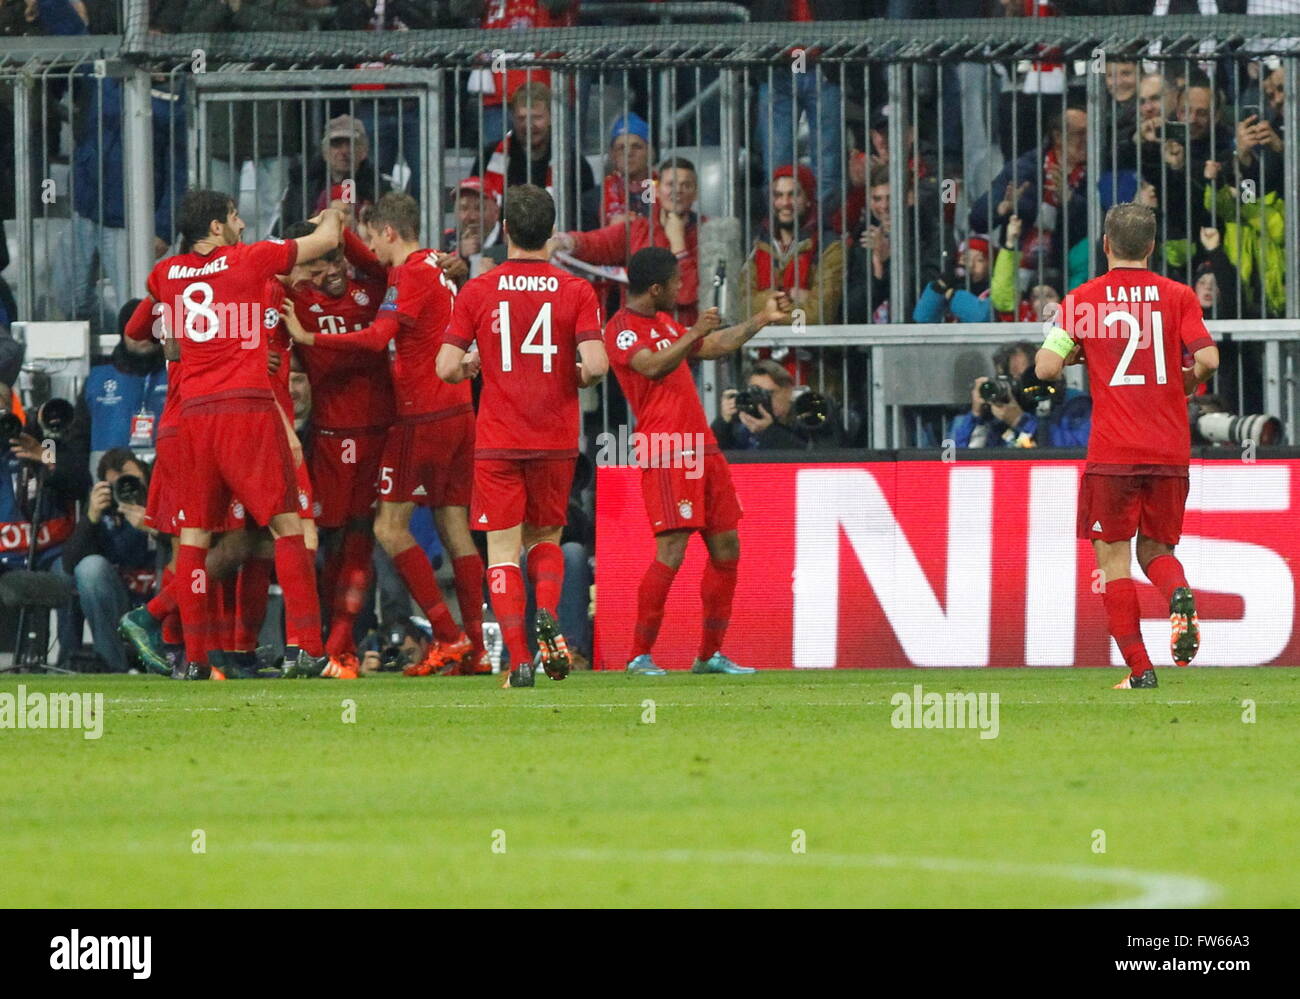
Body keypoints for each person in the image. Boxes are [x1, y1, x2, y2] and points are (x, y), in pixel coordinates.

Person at [283, 193, 484, 677]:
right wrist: (335, 225)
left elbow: (376, 337)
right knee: (454, 531)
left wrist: (309, 339)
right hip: (456, 410)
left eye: (371, 238)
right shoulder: (428, 264)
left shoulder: (405, 275)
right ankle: (474, 649)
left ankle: (449, 635)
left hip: (419, 416)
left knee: (384, 529)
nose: (365, 250)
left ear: (388, 233)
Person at [146, 190, 341, 680]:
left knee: (194, 538)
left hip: (192, 415)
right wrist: (333, 213)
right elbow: (327, 239)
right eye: (233, 216)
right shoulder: (249, 259)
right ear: (216, 227)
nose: (240, 223)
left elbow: (161, 339)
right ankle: (307, 649)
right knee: (287, 525)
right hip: (244, 411)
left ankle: (193, 660)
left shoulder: (164, 274)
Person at [1035, 202, 1219, 690]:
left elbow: (1045, 370)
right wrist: (1186, 382)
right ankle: (1178, 590)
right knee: (1157, 549)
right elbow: (1209, 357)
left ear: (1106, 246)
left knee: (1113, 561)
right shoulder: (1177, 295)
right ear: (1152, 247)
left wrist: (1073, 354)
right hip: (1169, 450)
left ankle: (1140, 671)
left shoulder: (1084, 301)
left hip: (1113, 454)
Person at [436, 184, 609, 688]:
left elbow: (445, 366)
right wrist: (574, 373)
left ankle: (518, 662)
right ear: (552, 234)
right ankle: (549, 615)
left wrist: (471, 365)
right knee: (546, 539)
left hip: (498, 440)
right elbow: (597, 365)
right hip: (555, 440)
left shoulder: (479, 290)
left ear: (505, 229)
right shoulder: (576, 291)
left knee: (502, 553)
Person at [607, 246, 791, 676]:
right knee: (671, 548)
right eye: (674, 283)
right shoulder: (621, 329)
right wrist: (690, 334)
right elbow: (650, 367)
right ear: (655, 289)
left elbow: (711, 346)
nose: (680, 288)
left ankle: (709, 655)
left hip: (702, 446)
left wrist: (760, 319)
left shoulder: (665, 322)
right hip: (667, 447)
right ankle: (638, 655)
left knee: (727, 546)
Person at [279, 218, 391, 678]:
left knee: (362, 537)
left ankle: (339, 644)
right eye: (318, 262)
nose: (330, 271)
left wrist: (337, 226)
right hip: (326, 435)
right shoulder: (292, 301)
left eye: (334, 258)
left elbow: (379, 265)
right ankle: (309, 641)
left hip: (377, 430)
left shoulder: (373, 288)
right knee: (322, 537)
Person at [549, 157, 702, 324]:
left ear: (696, 193)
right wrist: (563, 242)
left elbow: (686, 294)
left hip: (684, 338)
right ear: (656, 190)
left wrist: (678, 243)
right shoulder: (637, 228)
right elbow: (597, 243)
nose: (678, 190)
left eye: (686, 185)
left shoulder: (709, 234)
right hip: (636, 336)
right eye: (670, 184)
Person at [63, 448, 156, 673]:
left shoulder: (162, 498)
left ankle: (169, 660)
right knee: (90, 567)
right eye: (116, 484)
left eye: (131, 480)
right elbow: (70, 566)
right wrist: (91, 517)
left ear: (146, 476)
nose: (125, 488)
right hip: (120, 602)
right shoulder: (103, 510)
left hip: (159, 599)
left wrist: (154, 527)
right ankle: (113, 668)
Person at [742, 165, 844, 326]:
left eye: (793, 195)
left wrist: (765, 310)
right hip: (759, 347)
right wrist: (786, 296)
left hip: (810, 349)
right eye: (778, 195)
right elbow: (740, 309)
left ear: (808, 199)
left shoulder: (829, 246)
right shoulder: (757, 244)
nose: (785, 203)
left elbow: (819, 316)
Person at [712, 359, 844, 451]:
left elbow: (824, 460)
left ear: (789, 390)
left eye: (769, 393)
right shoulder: (741, 421)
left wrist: (768, 432)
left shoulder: (811, 413)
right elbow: (702, 460)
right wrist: (723, 422)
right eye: (756, 393)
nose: (762, 401)